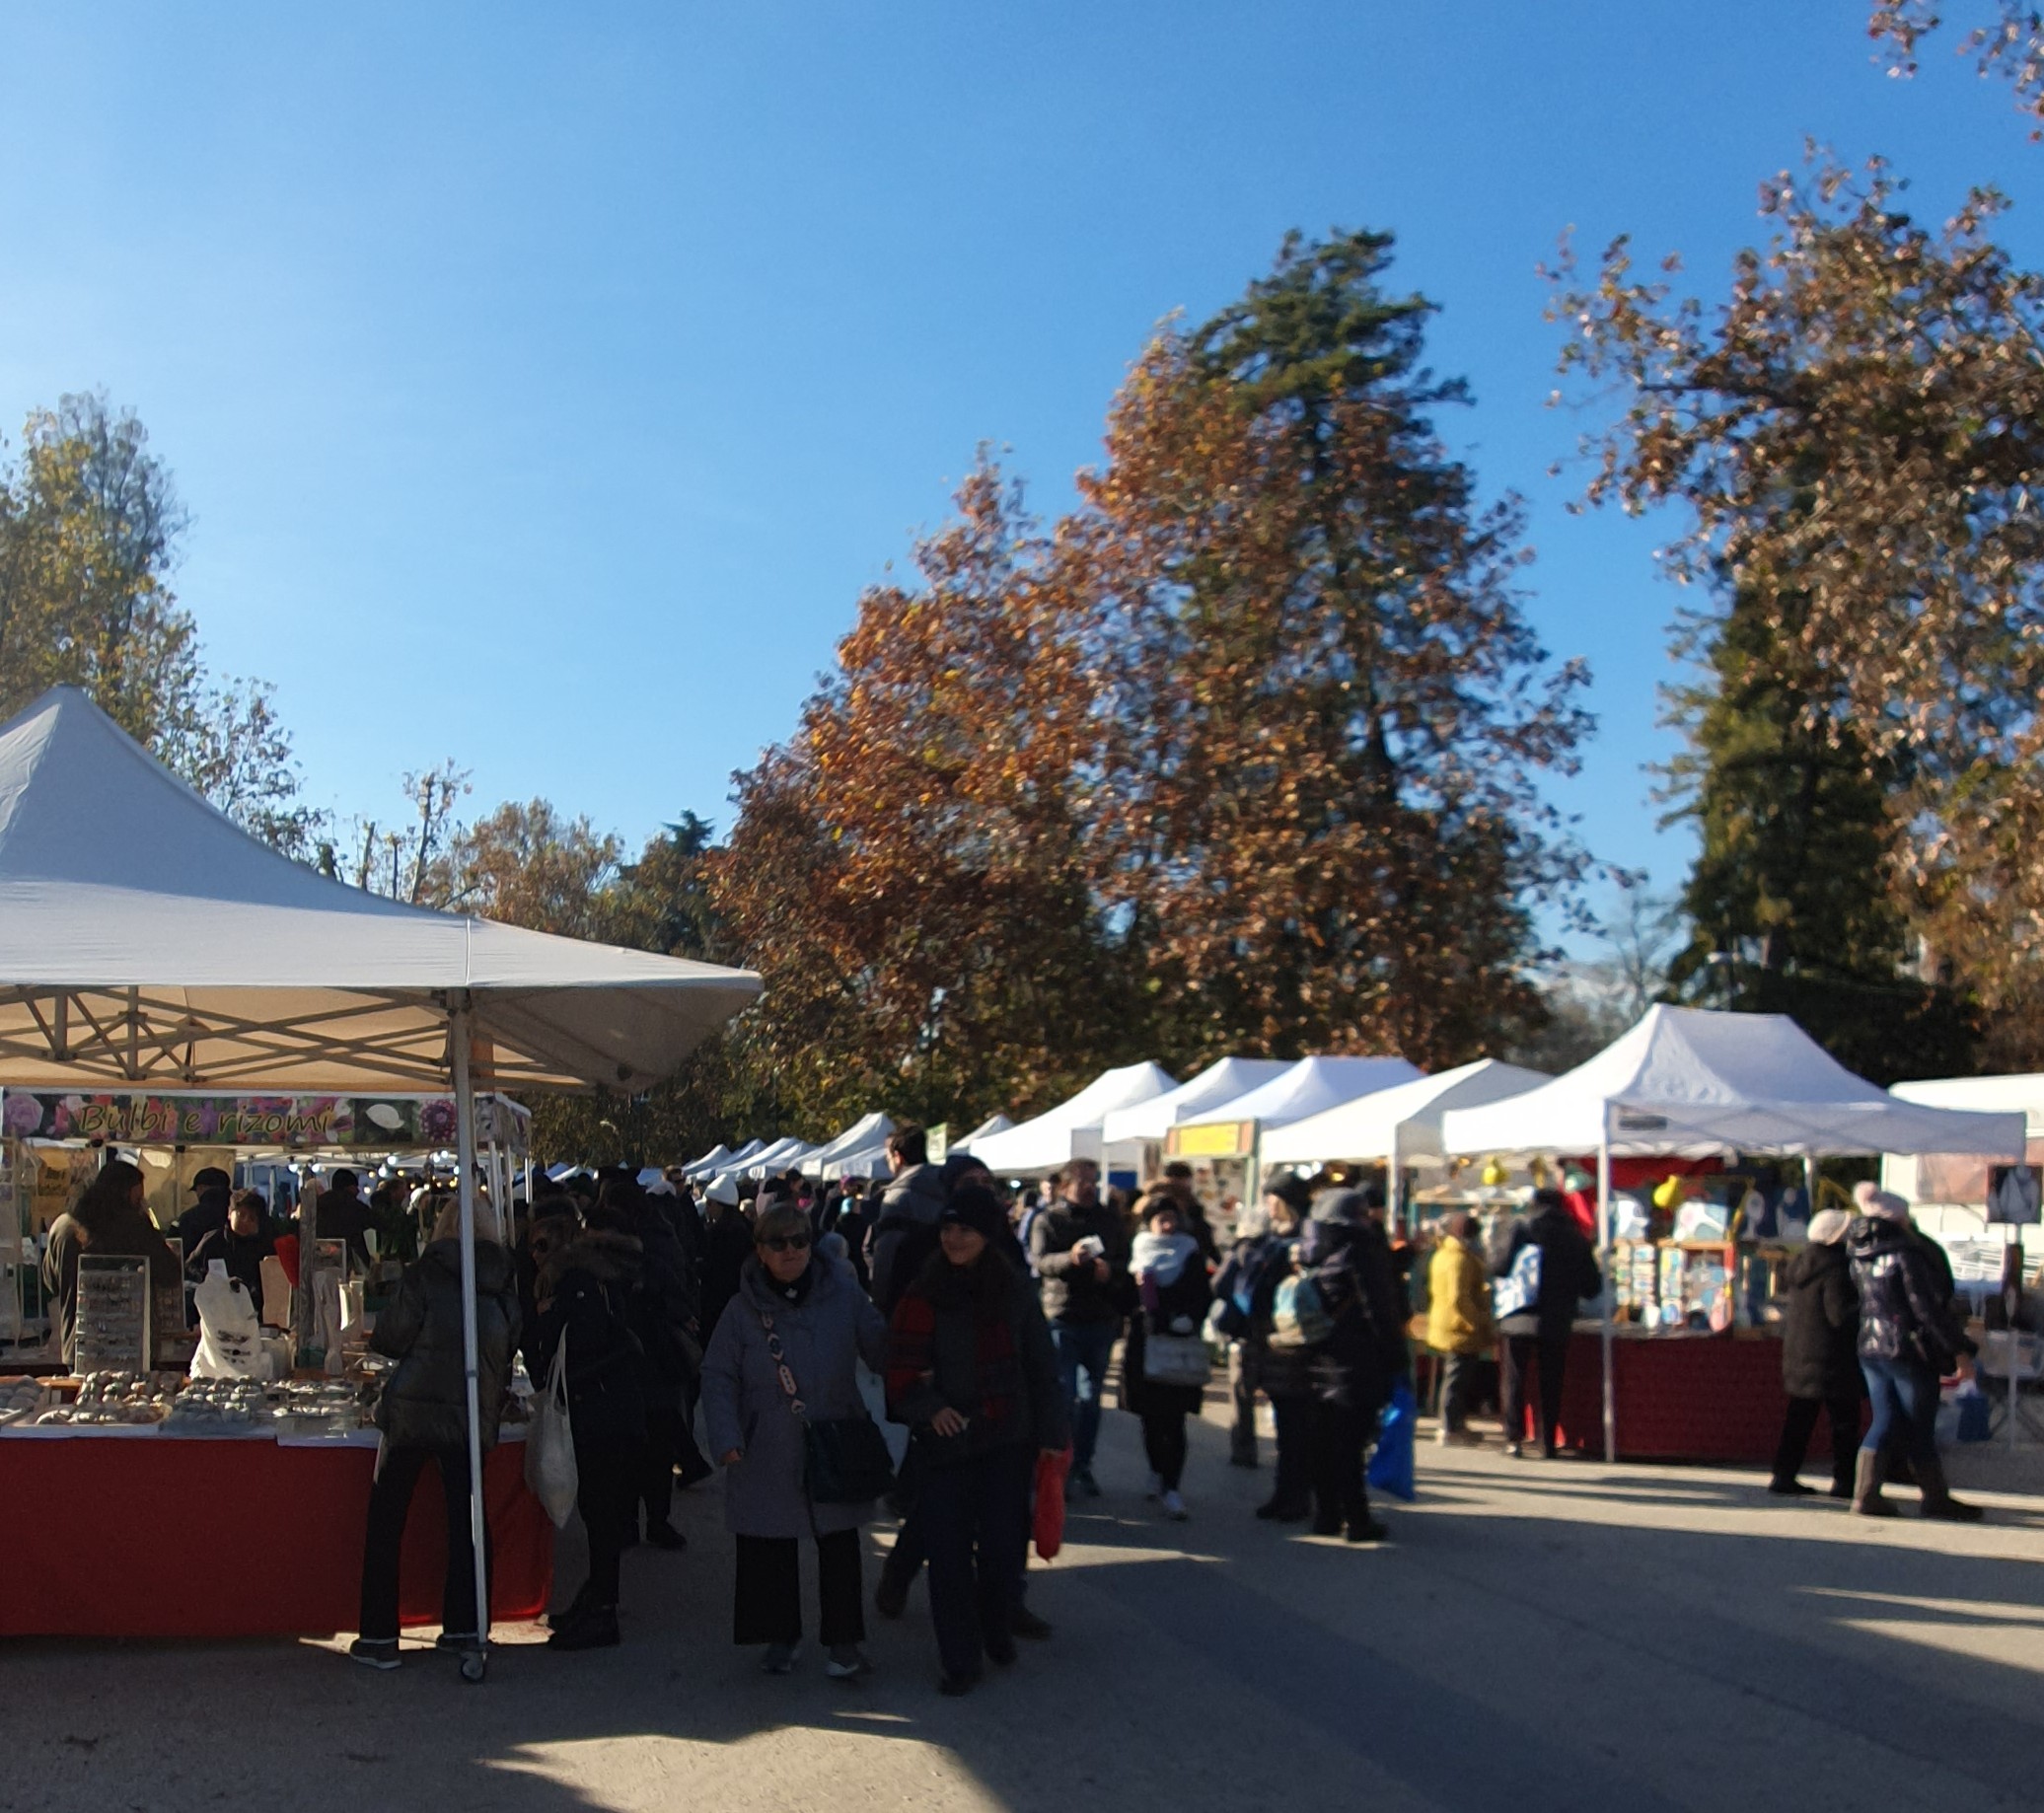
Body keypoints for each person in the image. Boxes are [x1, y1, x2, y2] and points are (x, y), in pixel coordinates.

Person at [885, 1184, 1069, 1696]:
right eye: (947, 1228)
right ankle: (959, 1659)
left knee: (1001, 1552)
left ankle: (995, 1629)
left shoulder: (1014, 1292)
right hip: (947, 1445)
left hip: (1007, 1438)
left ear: (987, 1234)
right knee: (946, 1556)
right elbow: (899, 1369)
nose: (954, 1238)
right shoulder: (924, 1292)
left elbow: (1041, 1368)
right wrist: (930, 1409)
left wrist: (1054, 1434)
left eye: (965, 1228)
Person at [701, 1200, 890, 1677]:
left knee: (841, 1546)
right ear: (760, 1250)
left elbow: (882, 1349)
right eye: (778, 1243)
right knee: (771, 1546)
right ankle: (781, 1637)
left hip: (835, 1437)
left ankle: (843, 1644)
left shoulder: (844, 1294)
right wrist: (726, 1435)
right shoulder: (741, 1308)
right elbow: (719, 1375)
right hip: (767, 1442)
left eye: (800, 1240)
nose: (791, 1251)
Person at [351, 1197, 520, 1669]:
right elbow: (513, 1341)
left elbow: (389, 1339)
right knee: (467, 1522)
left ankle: (380, 1638)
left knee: (387, 1522)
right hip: (470, 1413)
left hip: (410, 1412)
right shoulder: (503, 1281)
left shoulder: (424, 1274)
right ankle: (467, 1625)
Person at [531, 1204, 649, 1649]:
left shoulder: (579, 1284)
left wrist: (546, 1320)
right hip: (611, 1404)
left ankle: (601, 1610)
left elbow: (583, 1345)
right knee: (601, 1514)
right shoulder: (599, 1276)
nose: (535, 1256)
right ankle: (596, 1599)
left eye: (542, 1245)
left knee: (602, 1514)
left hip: (602, 1407)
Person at [1847, 1184, 1981, 1520]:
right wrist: (1958, 1350)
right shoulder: (1908, 1254)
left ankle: (1865, 1494)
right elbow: (1926, 1309)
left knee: (1885, 1417)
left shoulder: (1859, 1254)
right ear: (1901, 1218)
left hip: (1871, 1346)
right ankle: (1935, 1497)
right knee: (1920, 1424)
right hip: (1908, 1348)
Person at [1299, 1190, 1406, 1543]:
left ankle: (1326, 1514)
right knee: (1350, 1444)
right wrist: (1395, 1357)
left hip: (1319, 1358)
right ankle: (1357, 1519)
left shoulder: (1314, 1252)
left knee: (1323, 1441)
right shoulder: (1360, 1251)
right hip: (1357, 1359)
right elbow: (1380, 1309)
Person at [1027, 1158, 1129, 1498]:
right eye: (1082, 1181)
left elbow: (1125, 1261)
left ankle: (1083, 1465)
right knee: (1066, 1396)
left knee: (1090, 1400)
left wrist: (1110, 1271)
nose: (1088, 1187)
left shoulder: (1108, 1219)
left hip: (1099, 1318)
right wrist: (1069, 1259)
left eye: (1093, 1181)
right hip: (1062, 1316)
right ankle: (1061, 1467)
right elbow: (1040, 1262)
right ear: (1066, 1184)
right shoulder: (1049, 1219)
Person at [1214, 1174, 1315, 1511]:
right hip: (1272, 1337)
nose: (1267, 1204)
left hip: (1296, 1342)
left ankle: (1296, 1494)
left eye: (1272, 1197)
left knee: (1297, 1422)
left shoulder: (1305, 1240)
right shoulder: (1271, 1239)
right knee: (1287, 1420)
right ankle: (1286, 1492)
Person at [1493, 1187, 1602, 1459]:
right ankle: (1548, 1441)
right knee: (1551, 1382)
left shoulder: (1521, 1228)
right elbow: (1592, 1286)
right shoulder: (1575, 1237)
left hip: (1519, 1315)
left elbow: (1500, 1267)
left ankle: (1513, 1438)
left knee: (1515, 1380)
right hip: (1557, 1320)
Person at [41, 1159, 182, 1369]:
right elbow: (170, 1274)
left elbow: (51, 1283)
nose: (141, 1200)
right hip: (130, 1348)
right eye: (138, 1195)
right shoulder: (135, 1226)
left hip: (79, 1346)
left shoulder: (63, 1226)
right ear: (127, 1193)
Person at [1125, 1196, 1213, 1520]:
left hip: (1179, 1342)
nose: (1167, 1225)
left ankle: (1173, 1486)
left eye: (1171, 1218)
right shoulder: (1138, 1250)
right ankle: (1156, 1470)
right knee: (1150, 1417)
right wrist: (1136, 1292)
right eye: (1160, 1218)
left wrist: (1186, 1317)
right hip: (1145, 1343)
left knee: (1175, 1420)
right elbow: (1123, 1297)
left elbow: (1202, 1293)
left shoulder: (1189, 1250)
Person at [1766, 1207, 1863, 1497]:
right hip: (1832, 1358)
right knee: (1844, 1423)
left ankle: (1784, 1474)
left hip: (1800, 1353)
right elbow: (1840, 1315)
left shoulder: (1801, 1263)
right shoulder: (1836, 1268)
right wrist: (1865, 1306)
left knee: (1799, 1420)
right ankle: (1845, 1480)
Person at [1425, 1210, 1494, 1446]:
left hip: (1445, 1322)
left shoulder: (1442, 1254)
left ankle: (1455, 1423)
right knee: (1456, 1377)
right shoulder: (1460, 1259)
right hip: (1459, 1327)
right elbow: (1459, 1297)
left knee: (1456, 1376)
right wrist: (1478, 1321)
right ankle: (1449, 1426)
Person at [866, 1124, 949, 1315]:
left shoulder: (897, 1199)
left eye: (888, 1158)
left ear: (898, 1157)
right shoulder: (949, 1188)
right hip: (948, 1298)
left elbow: (886, 1256)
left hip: (905, 1302)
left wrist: (880, 1306)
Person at [186, 1189, 279, 1321]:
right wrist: (207, 1279)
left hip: (251, 1313)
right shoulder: (213, 1240)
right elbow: (191, 1267)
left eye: (252, 1218)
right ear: (230, 1214)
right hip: (215, 1311)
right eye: (241, 1215)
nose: (245, 1221)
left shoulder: (264, 1246)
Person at [699, 1173, 755, 1342]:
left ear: (721, 1206)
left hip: (721, 1300)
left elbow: (715, 1270)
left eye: (710, 1204)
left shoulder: (720, 1234)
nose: (707, 1208)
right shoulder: (748, 1228)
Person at [1155, 1161, 1219, 1266]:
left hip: (1187, 1262)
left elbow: (1203, 1234)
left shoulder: (1191, 1203)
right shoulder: (1161, 1203)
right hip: (1170, 1263)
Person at [316, 1168, 378, 1272]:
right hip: (351, 1257)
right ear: (348, 1187)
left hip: (323, 1256)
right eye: (355, 1186)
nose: (358, 1191)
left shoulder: (319, 1203)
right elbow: (376, 1221)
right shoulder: (353, 1204)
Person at [176, 1166, 236, 1257]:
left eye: (196, 1190)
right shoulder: (241, 1215)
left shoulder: (189, 1217)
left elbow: (176, 1247)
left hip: (199, 1268)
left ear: (201, 1188)